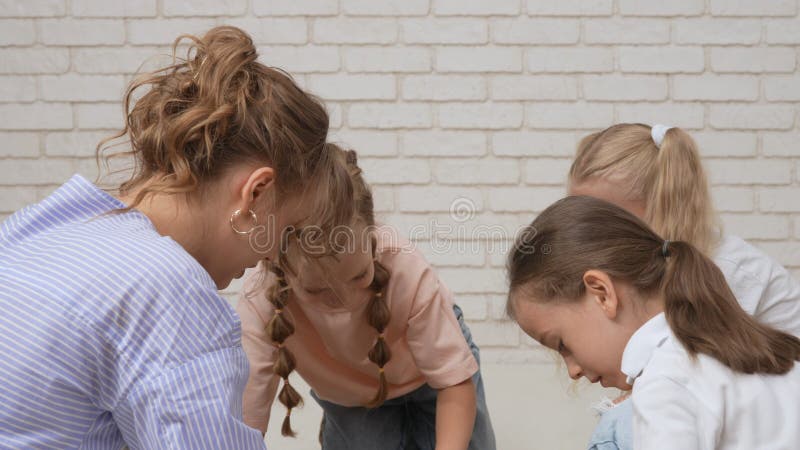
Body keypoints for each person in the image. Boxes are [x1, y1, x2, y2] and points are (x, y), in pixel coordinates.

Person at [0, 26, 352, 449]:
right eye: (288, 230)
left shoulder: (46, 224)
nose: (273, 257)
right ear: (255, 194)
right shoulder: (165, 288)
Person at [237, 146, 496, 450]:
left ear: (371, 234)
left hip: (431, 378)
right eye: (319, 292)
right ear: (275, 261)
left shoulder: (405, 269)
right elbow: (247, 414)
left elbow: (454, 382)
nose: (347, 301)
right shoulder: (262, 296)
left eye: (360, 276)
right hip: (351, 393)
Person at [567, 123, 800, 449]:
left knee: (619, 426)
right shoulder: (655, 266)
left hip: (772, 422)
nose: (588, 234)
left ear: (659, 204)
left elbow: (691, 374)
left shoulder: (726, 271)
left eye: (602, 220)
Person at [507, 195, 800, 450]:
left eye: (561, 344)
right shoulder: (763, 349)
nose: (572, 371)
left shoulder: (665, 380)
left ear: (602, 293)